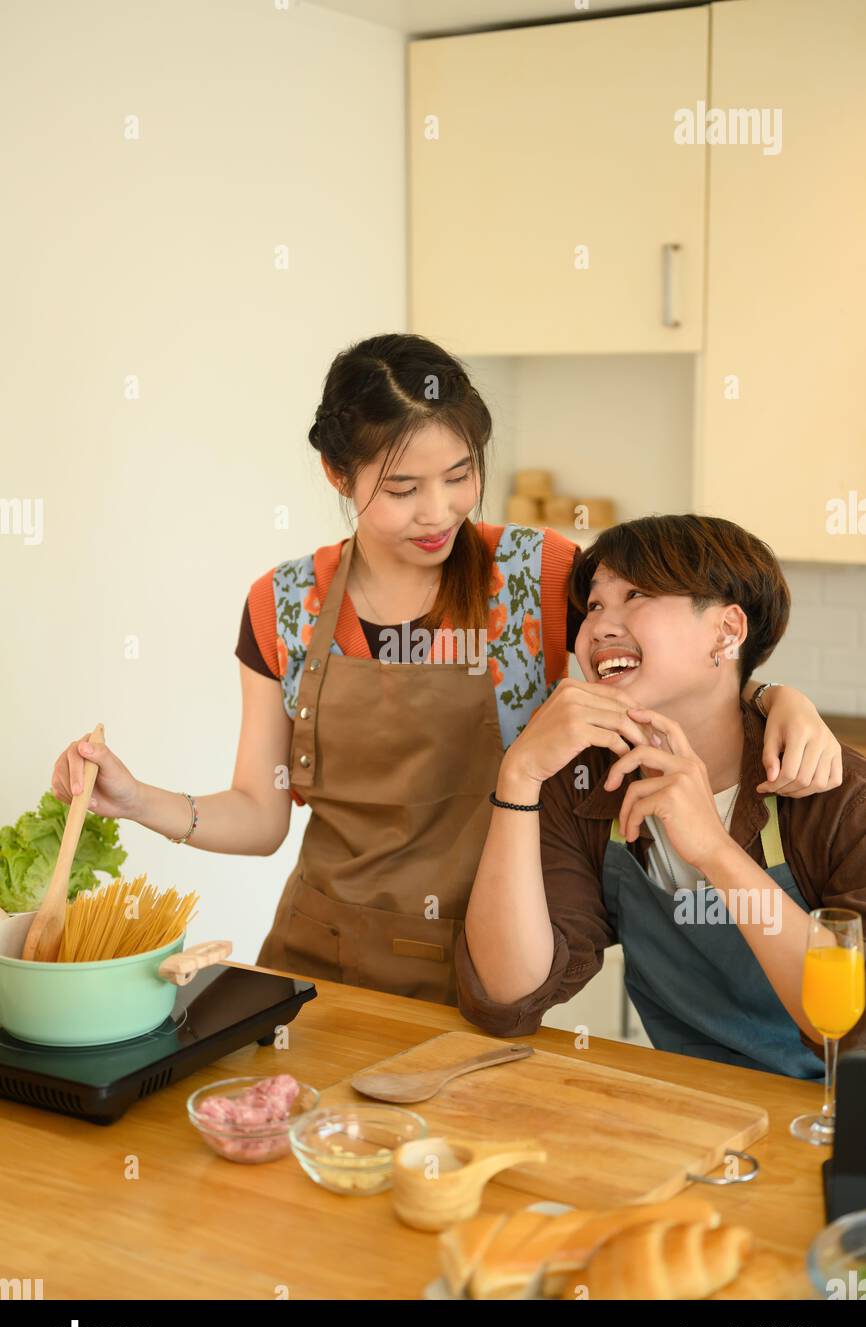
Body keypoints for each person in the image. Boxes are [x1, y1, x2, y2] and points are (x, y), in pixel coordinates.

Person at [51, 339, 843, 1007]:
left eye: (460, 474)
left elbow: (661, 662)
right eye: (402, 489)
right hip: (314, 958)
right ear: (336, 473)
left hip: (486, 965)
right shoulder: (283, 605)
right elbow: (261, 816)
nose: (439, 512)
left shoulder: (542, 575)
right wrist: (139, 801)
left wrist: (776, 697)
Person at [459, 513, 865, 1078]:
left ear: (727, 631)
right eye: (594, 606)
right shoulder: (582, 781)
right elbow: (508, 997)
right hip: (686, 1112)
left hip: (831, 1121)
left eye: (637, 595)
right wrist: (519, 777)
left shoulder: (836, 793)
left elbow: (849, 1028)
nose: (599, 627)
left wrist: (715, 852)